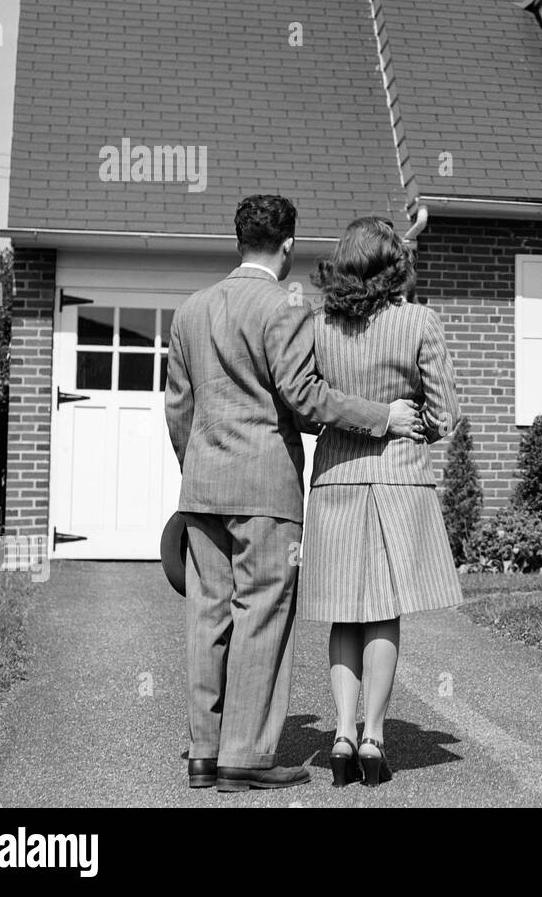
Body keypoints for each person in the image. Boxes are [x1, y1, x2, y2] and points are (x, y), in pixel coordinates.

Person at [164, 195, 425, 792]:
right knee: (262, 616)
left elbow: (178, 410)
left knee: (207, 616)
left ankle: (203, 755)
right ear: (286, 248)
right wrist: (380, 415)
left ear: (238, 242)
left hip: (202, 487)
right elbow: (305, 398)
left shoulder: (190, 310)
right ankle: (246, 758)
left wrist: (197, 469)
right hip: (266, 491)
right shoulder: (285, 304)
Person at [298, 215, 463, 788]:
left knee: (345, 610)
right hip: (398, 480)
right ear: (395, 267)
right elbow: (445, 416)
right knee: (382, 611)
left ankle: (340, 737)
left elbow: (302, 408)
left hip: (338, 476)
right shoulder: (420, 321)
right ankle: (374, 738)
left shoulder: (317, 326)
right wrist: (410, 426)